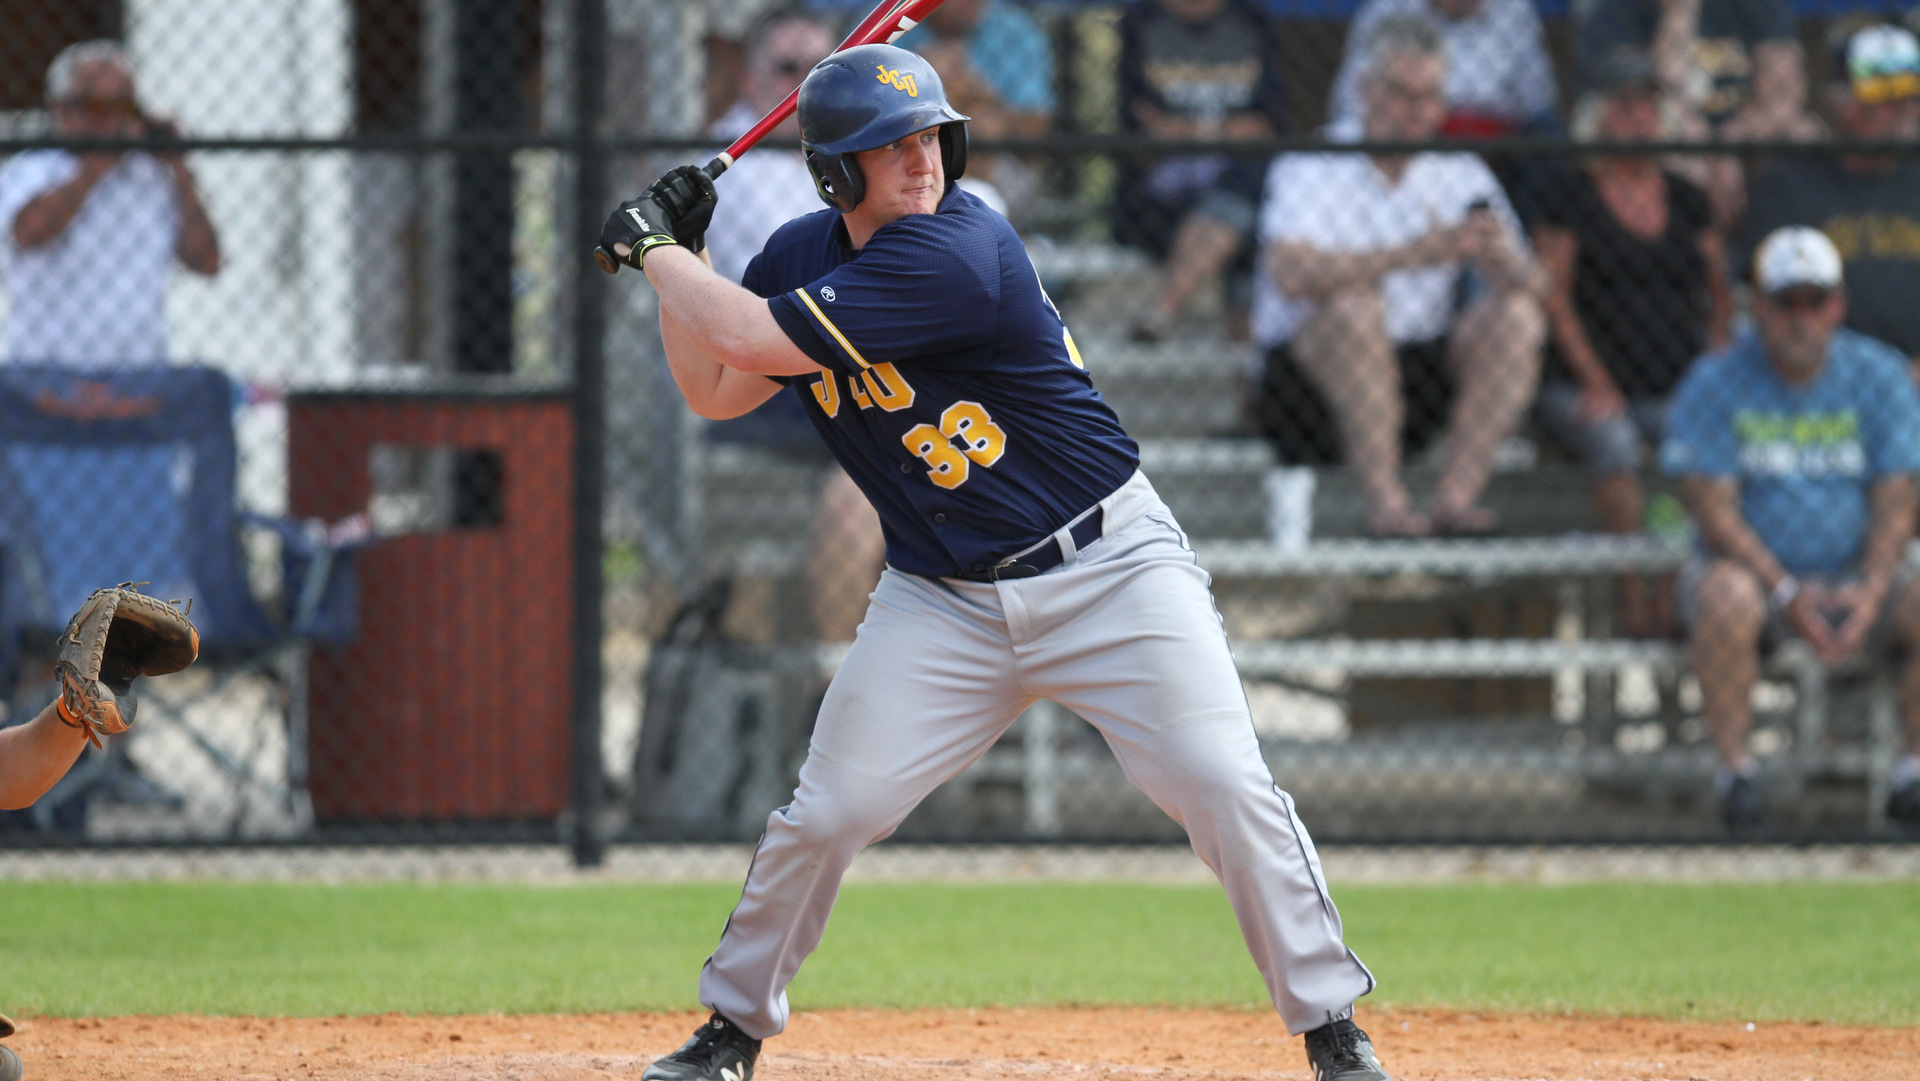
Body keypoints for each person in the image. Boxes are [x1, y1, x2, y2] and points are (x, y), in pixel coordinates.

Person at [598, 43, 1392, 1081]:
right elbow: (714, 386)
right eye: (890, 144)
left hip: (1109, 569)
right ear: (838, 174)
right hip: (943, 601)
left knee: (1221, 782)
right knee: (827, 813)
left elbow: (743, 341)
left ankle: (1334, 1029)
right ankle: (730, 1033)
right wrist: (681, 265)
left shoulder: (959, 251)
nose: (922, 156)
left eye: (930, 133)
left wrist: (657, 250)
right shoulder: (796, 254)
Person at [1661, 226, 1920, 832]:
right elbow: (1714, 513)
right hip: (1756, 580)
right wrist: (1786, 591)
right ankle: (1737, 777)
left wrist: (1871, 591)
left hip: (1860, 578)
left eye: (1815, 301)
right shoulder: (1717, 380)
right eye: (1785, 303)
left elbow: (1896, 498)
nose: (1801, 319)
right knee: (1724, 595)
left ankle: (1913, 776)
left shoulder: (1878, 375)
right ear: (1758, 308)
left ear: (1838, 306)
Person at [1252, 15, 1545, 537]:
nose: (1417, 111)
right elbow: (1290, 272)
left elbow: (1536, 284)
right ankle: (1386, 504)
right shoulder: (1313, 160)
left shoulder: (1460, 170)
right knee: (1354, 307)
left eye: (1430, 96)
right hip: (1308, 386)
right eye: (1401, 94)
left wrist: (1507, 264)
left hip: (1419, 374)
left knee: (1518, 318)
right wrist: (1414, 253)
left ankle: (1456, 500)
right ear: (1364, 91)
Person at [1531, 49, 1732, 630]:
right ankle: (1632, 590)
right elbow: (1554, 295)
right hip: (1582, 384)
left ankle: (1672, 590)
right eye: (1624, 106)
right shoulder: (1567, 193)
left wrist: (1711, 376)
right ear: (1597, 114)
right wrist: (1596, 381)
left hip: (1674, 381)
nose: (1639, 117)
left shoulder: (1687, 198)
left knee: (1688, 442)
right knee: (1615, 438)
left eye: (1648, 105)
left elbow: (1719, 294)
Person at [703, 10, 887, 644]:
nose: (804, 89)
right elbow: (799, 294)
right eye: (787, 71)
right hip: (775, 383)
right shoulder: (723, 170)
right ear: (748, 76)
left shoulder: (855, 150)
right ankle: (834, 681)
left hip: (862, 368)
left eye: (820, 73)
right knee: (862, 491)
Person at [0, 40, 219, 366]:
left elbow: (207, 262)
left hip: (137, 373)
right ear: (60, 108)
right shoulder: (30, 170)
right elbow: (29, 234)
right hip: (45, 373)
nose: (110, 120)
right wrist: (98, 164)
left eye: (123, 107)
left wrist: (178, 166)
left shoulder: (151, 177)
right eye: (96, 107)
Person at [1736, 23, 1920, 367]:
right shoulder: (1787, 184)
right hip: (1820, 380)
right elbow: (1765, 299)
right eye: (1881, 100)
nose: (1900, 115)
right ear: (1839, 100)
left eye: (1908, 99)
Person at [1113, 0, 1287, 343]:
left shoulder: (1252, 22)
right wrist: (1225, 132)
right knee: (1246, 218)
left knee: (1250, 191)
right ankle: (1248, 371)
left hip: (1242, 187)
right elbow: (1144, 137)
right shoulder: (1141, 23)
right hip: (1160, 202)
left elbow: (1266, 129)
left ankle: (1163, 308)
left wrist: (1189, 132)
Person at [1578, 0, 1819, 225]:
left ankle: (1790, 249)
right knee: (1684, 161)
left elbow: (1784, 96)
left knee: (1807, 134)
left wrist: (1729, 144)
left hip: (1744, 134)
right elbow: (1660, 95)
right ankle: (1697, 255)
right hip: (1678, 132)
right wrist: (1679, 13)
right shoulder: (1620, 10)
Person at [897, 0, 1053, 214]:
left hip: (1000, 168)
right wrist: (921, 84)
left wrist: (975, 90)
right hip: (904, 158)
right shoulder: (888, 22)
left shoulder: (1014, 30)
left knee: (982, 124)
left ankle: (974, 220)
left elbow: (1034, 133)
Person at [1327, 0, 1558, 138]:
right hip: (1421, 130)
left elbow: (1538, 101)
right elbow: (1349, 99)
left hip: (1497, 140)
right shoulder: (1390, 8)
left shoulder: (1513, 10)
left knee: (1547, 131)